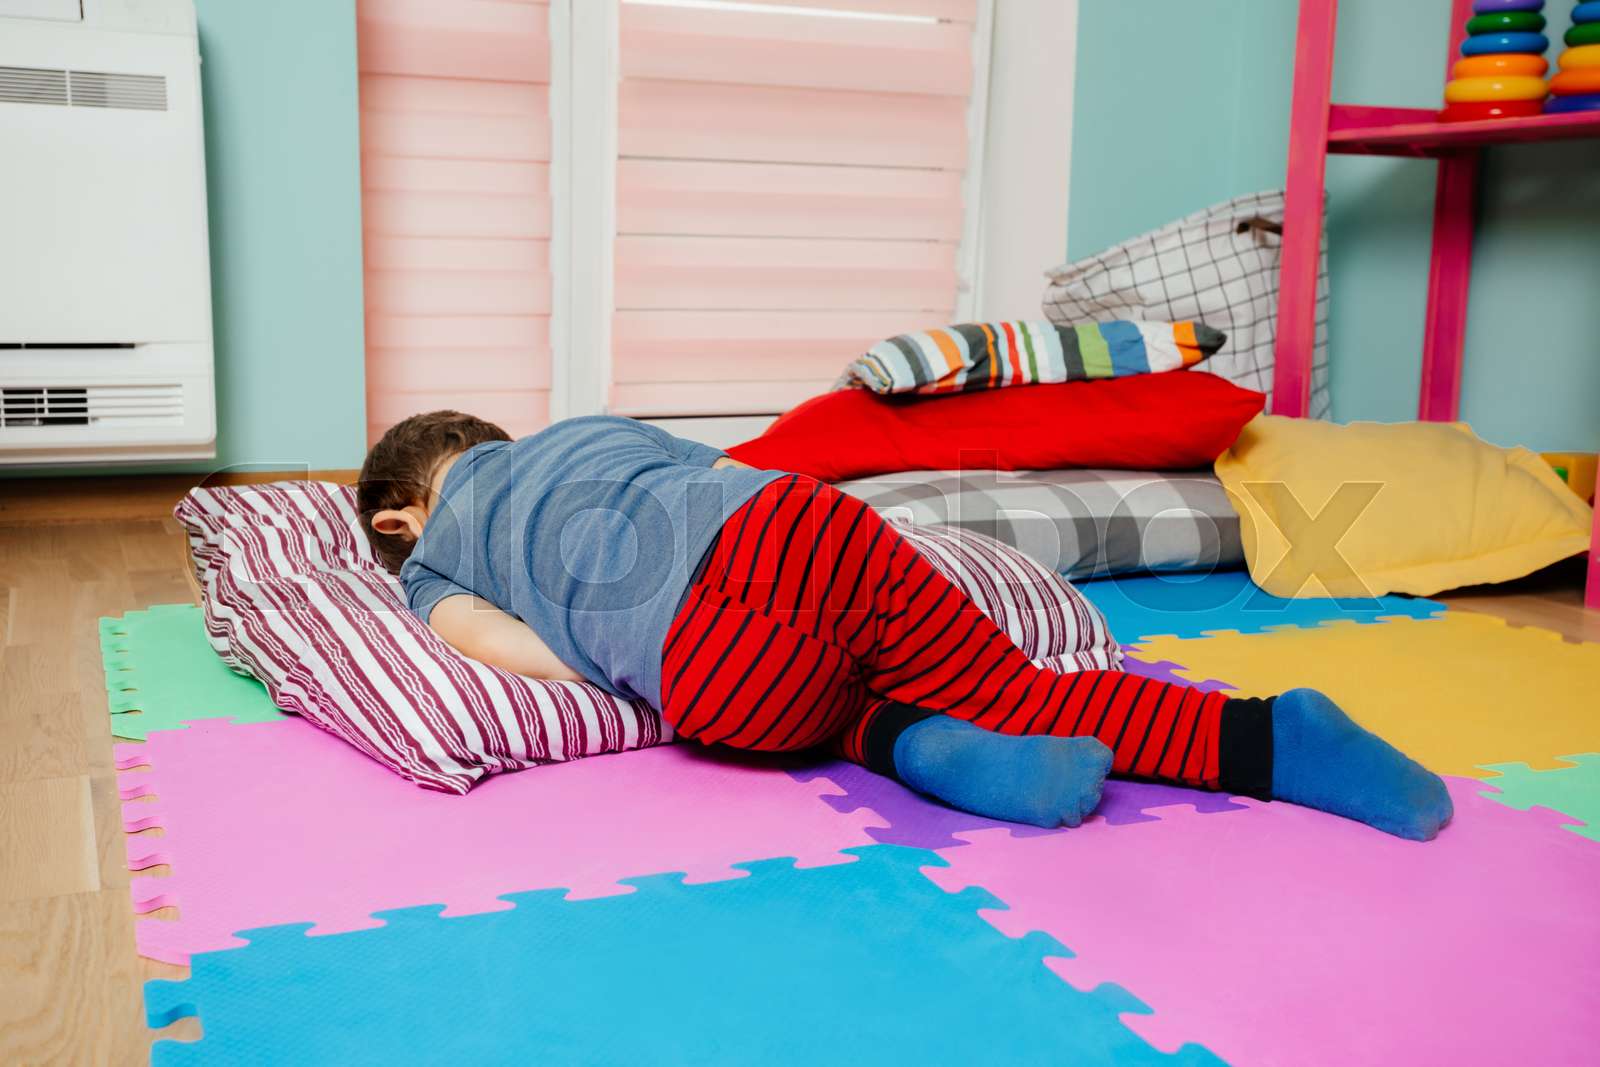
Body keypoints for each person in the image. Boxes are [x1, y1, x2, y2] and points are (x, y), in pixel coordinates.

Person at [357, 410, 1453, 839]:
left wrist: (615, 654)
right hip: (802, 529)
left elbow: (494, 646)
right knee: (1026, 685)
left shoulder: (437, 554)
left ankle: (914, 746)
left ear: (401, 516)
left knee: (793, 705)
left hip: (717, 669)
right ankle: (1270, 738)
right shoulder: (585, 428)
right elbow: (743, 470)